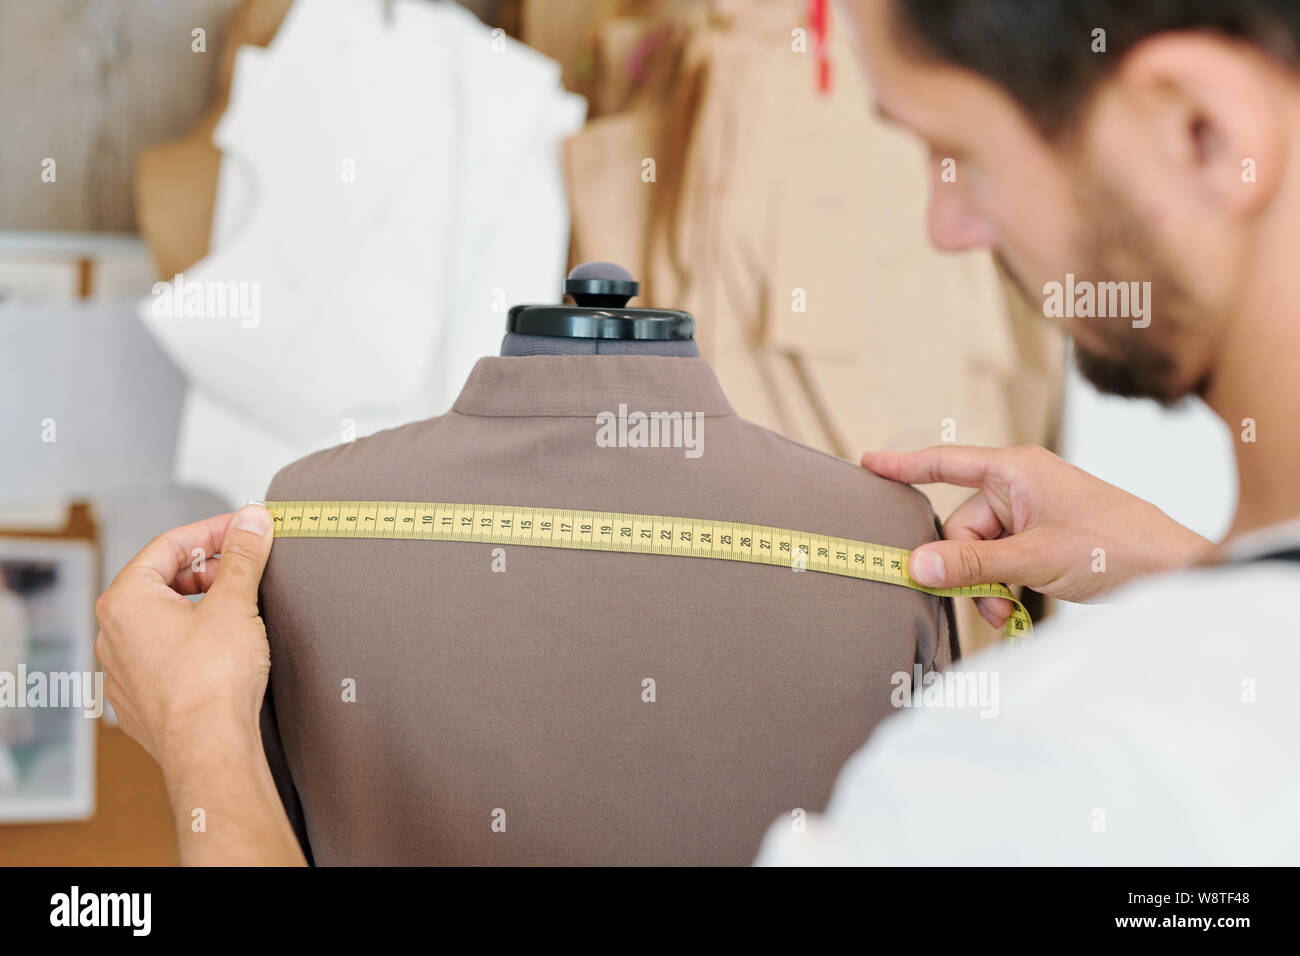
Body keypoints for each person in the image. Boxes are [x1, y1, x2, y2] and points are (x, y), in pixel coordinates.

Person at [95, 0, 1300, 864]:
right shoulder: (1180, 693)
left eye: (956, 152)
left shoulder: (1055, 769)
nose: (945, 226)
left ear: (1197, 127)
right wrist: (1192, 580)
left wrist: (201, 741)